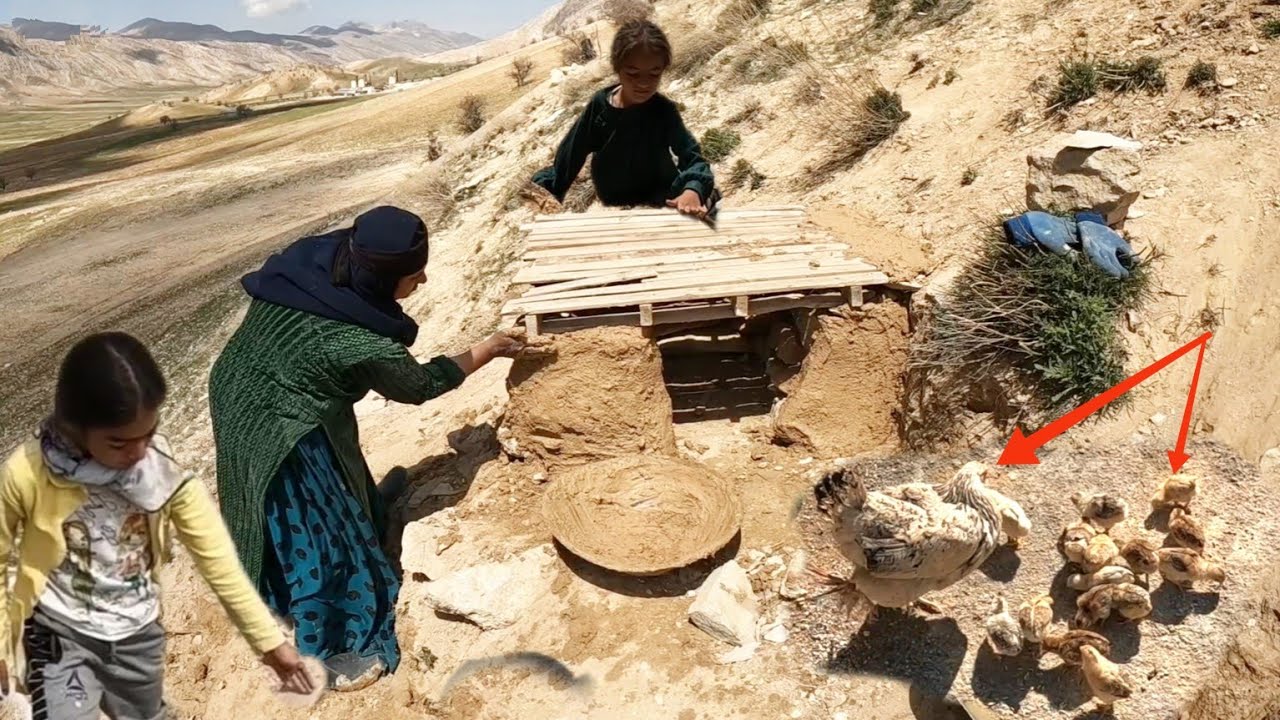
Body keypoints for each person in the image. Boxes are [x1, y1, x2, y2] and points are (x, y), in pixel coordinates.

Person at [208, 205, 525, 692]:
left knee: (341, 469)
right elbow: (418, 385)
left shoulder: (322, 260)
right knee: (315, 527)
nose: (421, 282)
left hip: (245, 381)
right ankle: (333, 644)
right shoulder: (357, 340)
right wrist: (489, 348)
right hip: (277, 421)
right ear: (384, 276)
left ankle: (370, 513)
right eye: (414, 276)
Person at [0, 332, 314, 720]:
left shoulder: (161, 472)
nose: (136, 454)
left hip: (134, 632)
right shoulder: (28, 472)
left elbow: (218, 562)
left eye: (146, 435)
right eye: (118, 443)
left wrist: (269, 642)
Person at [531, 19, 719, 218]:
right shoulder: (600, 106)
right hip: (614, 204)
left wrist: (693, 189)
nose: (644, 83)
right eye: (633, 74)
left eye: (654, 74)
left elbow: (693, 158)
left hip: (662, 199)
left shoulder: (663, 110)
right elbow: (571, 155)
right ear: (617, 68)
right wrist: (549, 189)